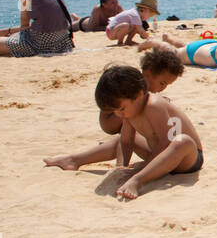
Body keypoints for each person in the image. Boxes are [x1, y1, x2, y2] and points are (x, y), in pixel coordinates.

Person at [43, 65, 203, 200]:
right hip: (158, 157)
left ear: (139, 95)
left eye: (121, 109)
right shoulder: (130, 112)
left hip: (186, 160)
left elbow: (165, 142)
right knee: (117, 140)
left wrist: (140, 170)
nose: (119, 115)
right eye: (116, 111)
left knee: (182, 141)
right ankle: (74, 160)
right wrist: (122, 166)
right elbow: (127, 142)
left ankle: (138, 181)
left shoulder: (154, 105)